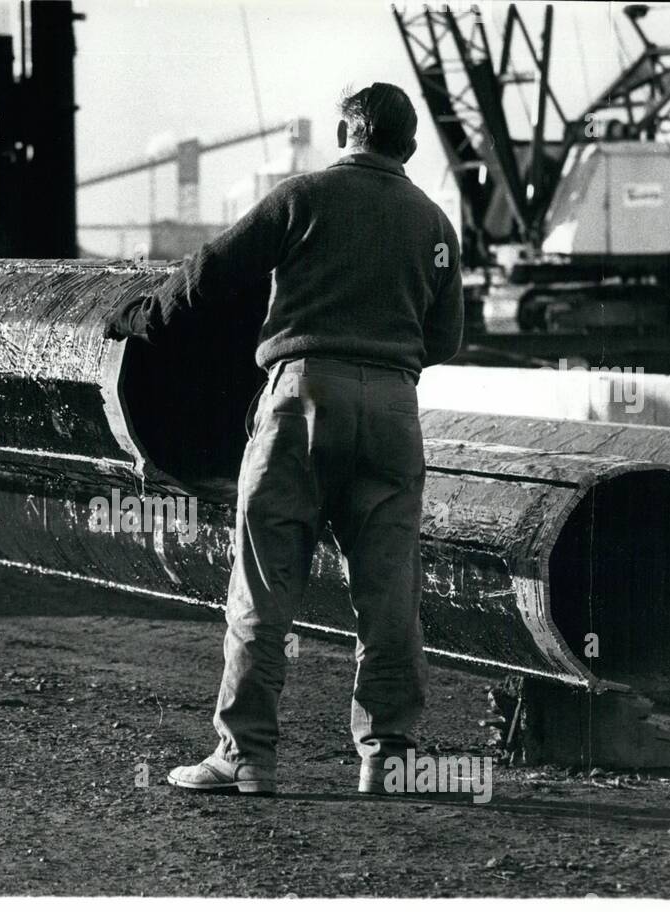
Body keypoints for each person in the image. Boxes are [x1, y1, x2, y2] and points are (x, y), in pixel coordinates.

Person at [105, 82, 464, 796]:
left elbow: (211, 269)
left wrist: (148, 316)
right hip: (395, 410)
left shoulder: (302, 197)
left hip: (303, 398)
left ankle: (246, 757)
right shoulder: (435, 224)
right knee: (389, 592)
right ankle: (389, 757)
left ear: (343, 132)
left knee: (265, 587)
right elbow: (447, 339)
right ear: (411, 148)